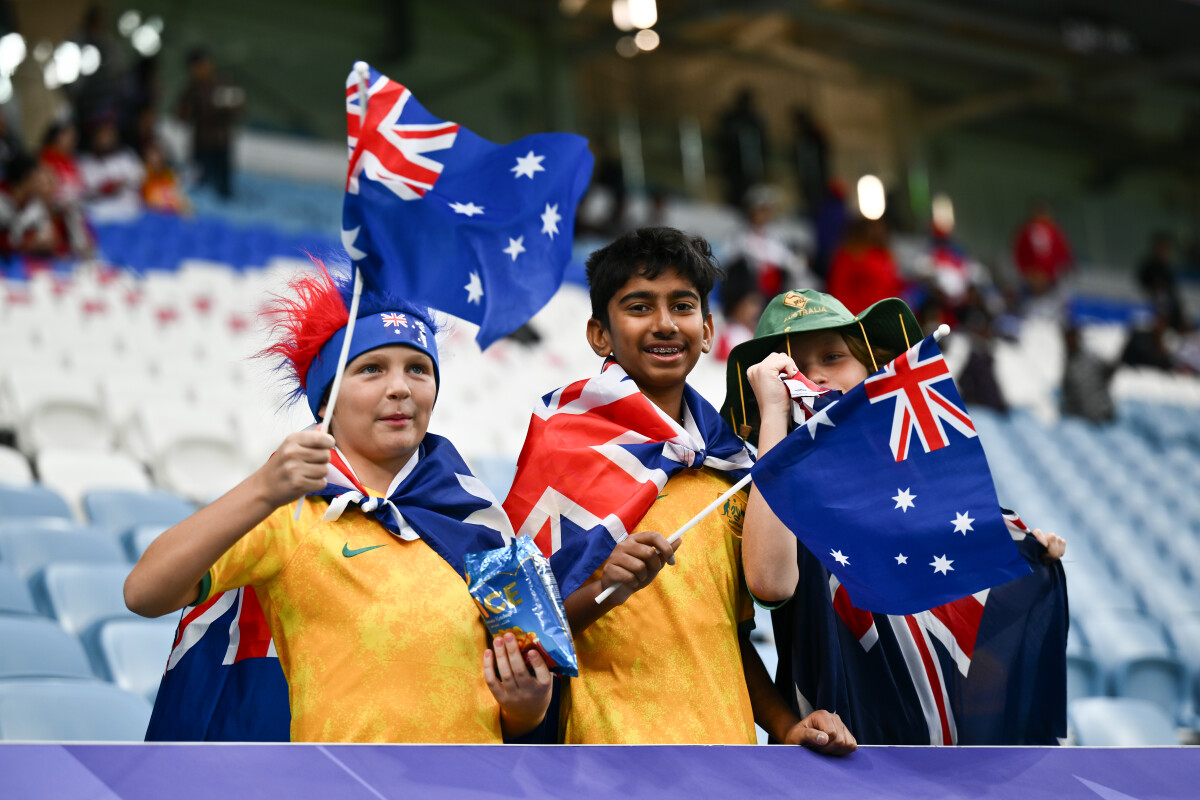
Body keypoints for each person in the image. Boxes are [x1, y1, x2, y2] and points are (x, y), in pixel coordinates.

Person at [124, 266, 551, 742]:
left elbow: (509, 710)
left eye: (418, 369)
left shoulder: (475, 516)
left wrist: (527, 708)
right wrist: (261, 489)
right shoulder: (289, 512)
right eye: (371, 368)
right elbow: (144, 593)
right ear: (326, 401)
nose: (400, 388)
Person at [506, 227, 855, 751]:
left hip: (728, 760)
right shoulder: (563, 446)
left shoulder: (728, 466)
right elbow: (521, 634)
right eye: (640, 306)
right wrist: (607, 591)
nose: (665, 323)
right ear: (600, 334)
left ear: (709, 328)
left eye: (682, 305)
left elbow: (725, 636)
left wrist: (784, 725)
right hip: (608, 766)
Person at [722, 288, 1068, 744]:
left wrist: (1024, 557)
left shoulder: (912, 486)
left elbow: (966, 592)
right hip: (832, 748)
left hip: (927, 746)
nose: (816, 378)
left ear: (871, 369)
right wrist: (773, 415)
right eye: (793, 369)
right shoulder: (761, 488)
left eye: (833, 357)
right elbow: (769, 582)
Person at [176, 47, 243, 199]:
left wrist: (226, 105)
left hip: (221, 144)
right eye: (196, 67)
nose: (201, 70)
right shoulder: (191, 89)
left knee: (223, 190)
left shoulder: (224, 84)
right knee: (196, 186)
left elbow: (240, 109)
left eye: (203, 65)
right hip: (200, 145)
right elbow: (180, 116)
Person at [826, 218, 905, 314]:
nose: (876, 229)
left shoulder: (885, 255)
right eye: (872, 226)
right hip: (860, 318)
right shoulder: (848, 255)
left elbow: (893, 286)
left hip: (885, 317)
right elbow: (839, 291)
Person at [78, 114, 145, 222]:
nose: (106, 139)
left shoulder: (126, 156)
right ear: (94, 137)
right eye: (102, 135)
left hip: (129, 213)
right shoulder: (85, 162)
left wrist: (122, 182)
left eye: (109, 135)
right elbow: (84, 191)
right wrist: (104, 189)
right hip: (100, 214)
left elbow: (140, 177)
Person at [1012, 200, 1073, 300]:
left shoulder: (1053, 230)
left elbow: (1063, 252)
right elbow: (1020, 253)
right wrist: (1030, 273)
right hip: (1033, 276)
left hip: (1050, 278)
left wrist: (1057, 271)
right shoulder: (1027, 231)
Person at [1062, 324, 1117, 423]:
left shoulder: (1092, 357)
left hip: (1102, 417)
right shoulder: (1066, 364)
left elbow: (1110, 371)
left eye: (1072, 336)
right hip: (1081, 422)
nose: (1070, 341)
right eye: (1068, 337)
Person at [1136, 232, 1188, 333]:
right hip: (1160, 308)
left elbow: (1173, 293)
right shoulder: (1150, 267)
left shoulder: (1167, 268)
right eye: (1163, 247)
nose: (1166, 251)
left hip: (1170, 311)